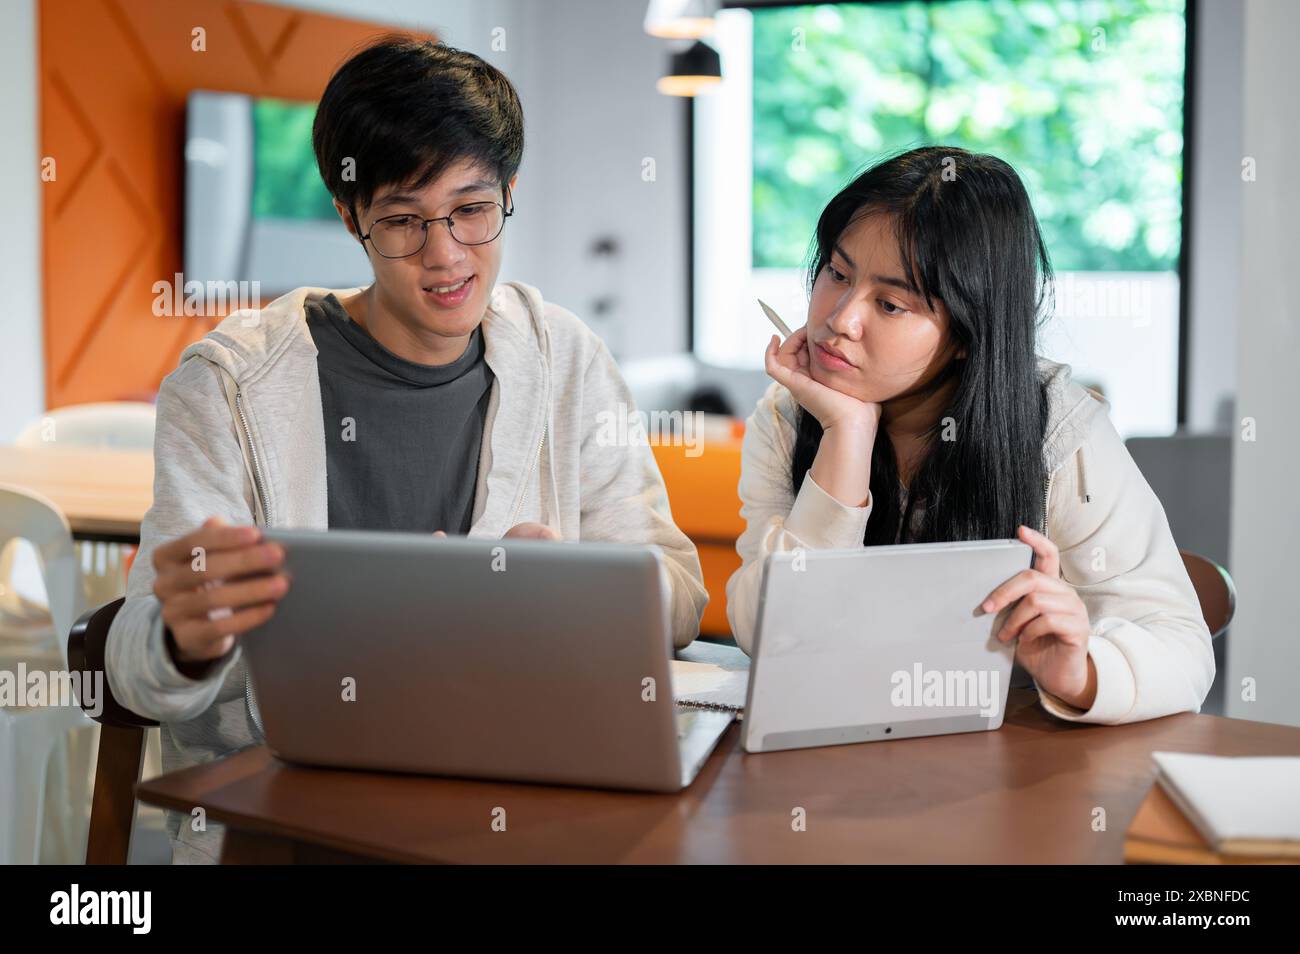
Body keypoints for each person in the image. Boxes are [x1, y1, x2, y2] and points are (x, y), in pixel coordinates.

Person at [106, 37, 707, 863]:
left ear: (510, 193)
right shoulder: (230, 385)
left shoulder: (567, 361)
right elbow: (140, 674)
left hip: (524, 802)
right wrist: (184, 637)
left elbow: (678, 593)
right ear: (349, 214)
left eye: (472, 209)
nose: (446, 253)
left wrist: (574, 588)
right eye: (402, 220)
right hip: (287, 820)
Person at [726, 145, 1213, 726]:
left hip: (1006, 776)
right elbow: (771, 637)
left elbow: (1182, 647)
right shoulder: (789, 417)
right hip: (835, 764)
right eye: (837, 272)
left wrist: (1081, 670)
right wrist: (846, 436)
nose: (840, 319)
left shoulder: (1056, 431)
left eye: (890, 303)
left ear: (966, 329)